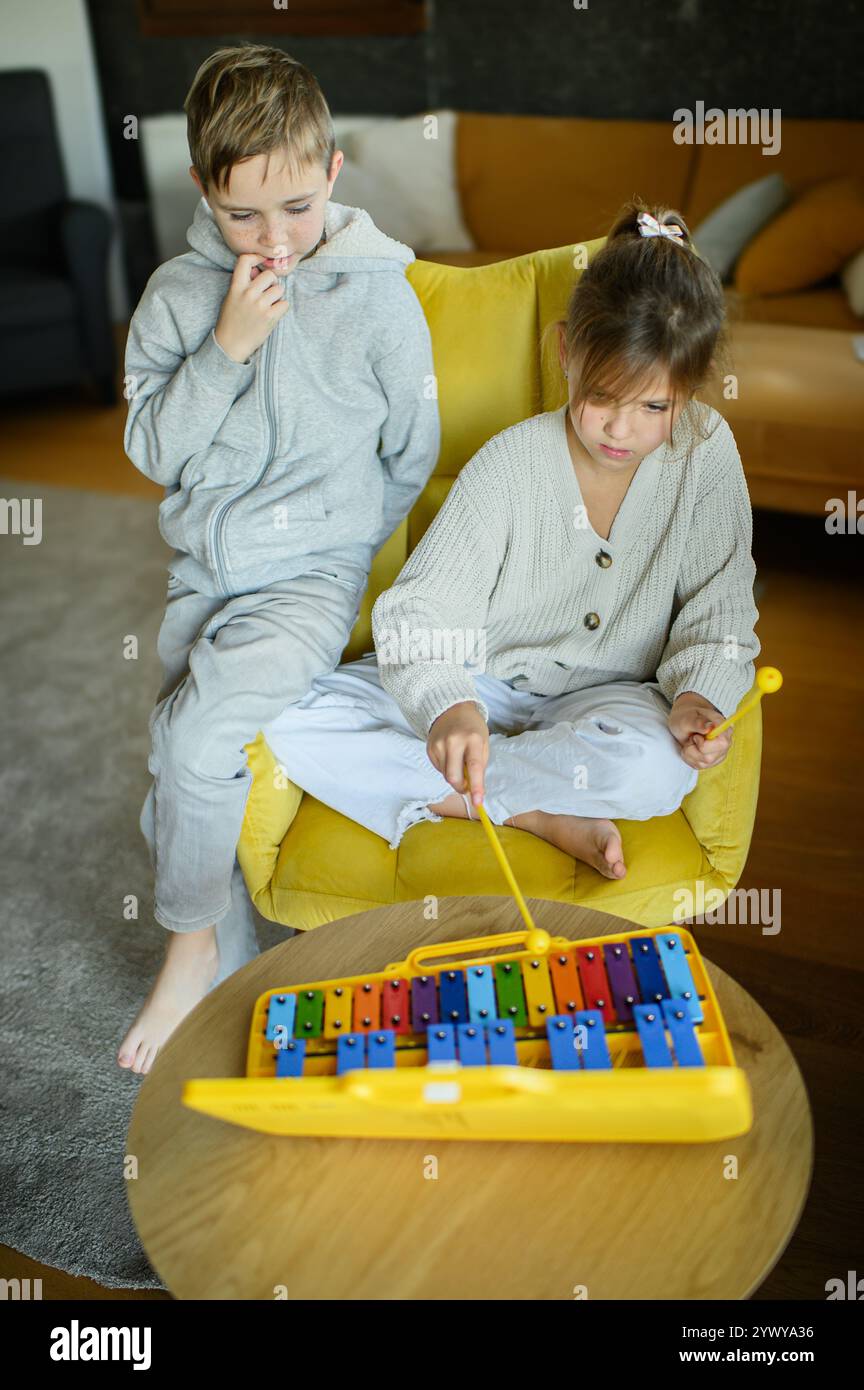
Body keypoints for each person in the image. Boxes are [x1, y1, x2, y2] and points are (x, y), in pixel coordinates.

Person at [260, 198, 760, 880]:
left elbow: (719, 608)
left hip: (611, 698)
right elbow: (418, 609)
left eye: (653, 408)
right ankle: (533, 811)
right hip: (485, 680)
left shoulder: (708, 455)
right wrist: (448, 703)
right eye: (603, 398)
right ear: (565, 354)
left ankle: (471, 795)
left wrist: (700, 695)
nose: (621, 430)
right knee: (281, 714)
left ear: (691, 392)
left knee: (655, 770)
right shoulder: (511, 462)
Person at [117, 43, 439, 1075]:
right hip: (205, 570)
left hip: (310, 578)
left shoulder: (378, 295)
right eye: (242, 214)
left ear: (333, 173)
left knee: (200, 726)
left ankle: (193, 944)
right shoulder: (178, 296)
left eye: (296, 207)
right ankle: (232, 924)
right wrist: (227, 348)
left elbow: (411, 450)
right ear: (205, 191)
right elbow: (153, 450)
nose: (273, 239)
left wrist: (344, 541)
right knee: (177, 751)